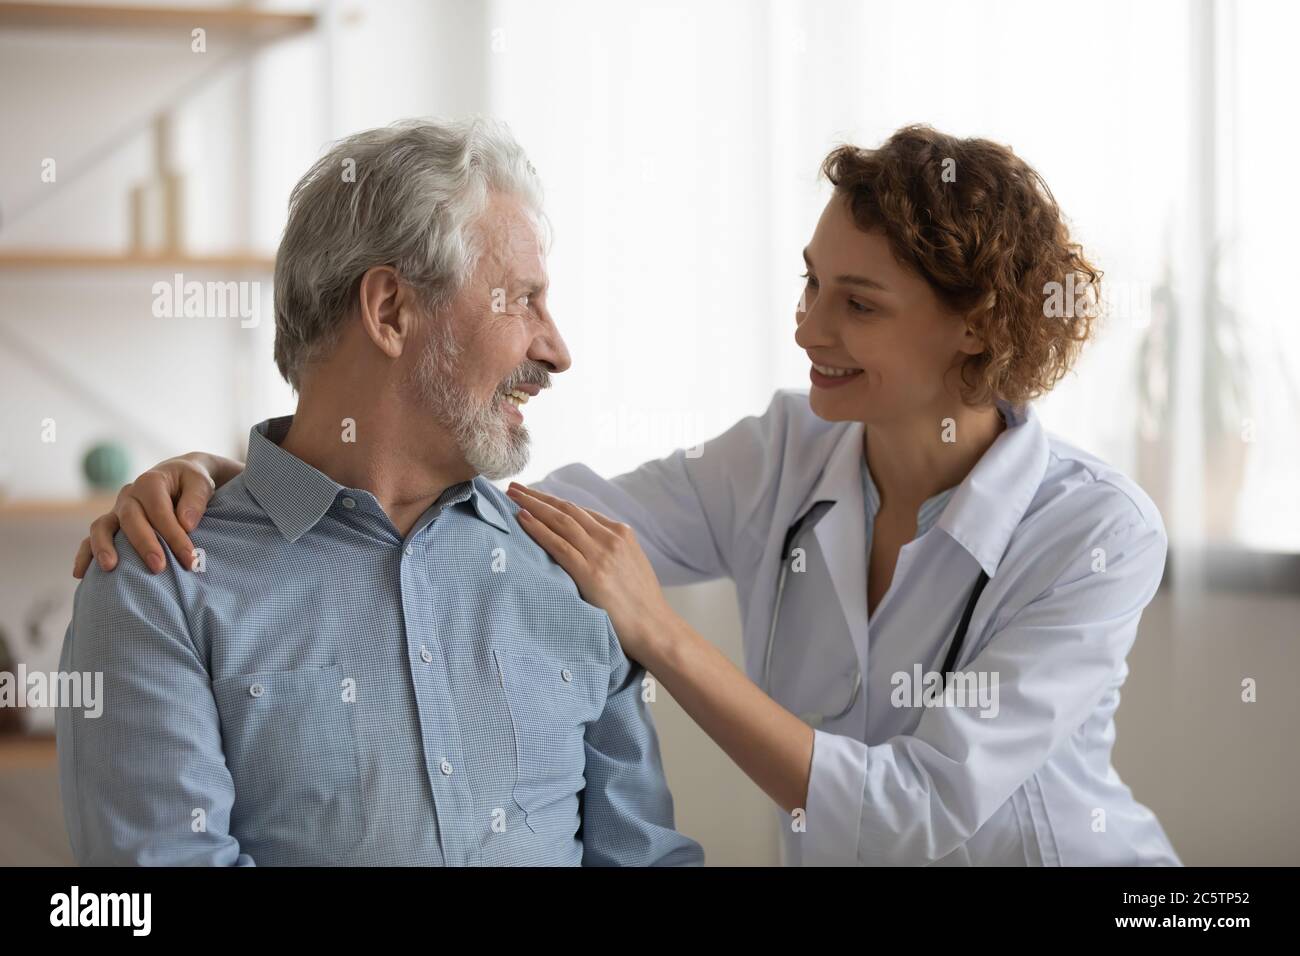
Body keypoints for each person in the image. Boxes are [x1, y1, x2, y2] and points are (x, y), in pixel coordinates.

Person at [76, 125, 1178, 866]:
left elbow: (916, 812)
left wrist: (661, 632)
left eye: (857, 302)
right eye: (808, 283)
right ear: (391, 310)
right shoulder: (174, 579)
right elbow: (428, 499)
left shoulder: (1094, 531)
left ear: (973, 328)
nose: (805, 327)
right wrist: (241, 485)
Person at [58, 118, 702, 867]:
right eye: (521, 300)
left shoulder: (579, 579)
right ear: (391, 310)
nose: (555, 350)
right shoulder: (158, 586)